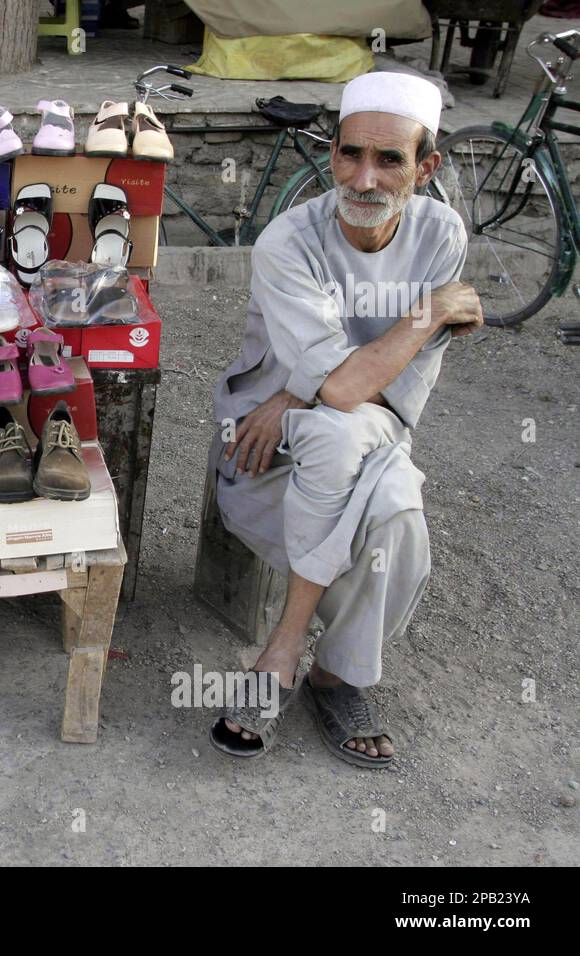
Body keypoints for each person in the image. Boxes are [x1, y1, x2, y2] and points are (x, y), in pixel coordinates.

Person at [206, 72, 484, 768]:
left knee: (362, 461)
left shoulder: (441, 234)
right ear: (330, 155)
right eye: (348, 154)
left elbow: (382, 392)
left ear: (427, 168)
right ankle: (338, 674)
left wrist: (312, 389)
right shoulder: (287, 242)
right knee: (395, 507)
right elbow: (348, 384)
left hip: (371, 428)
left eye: (389, 160)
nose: (364, 178)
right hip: (265, 450)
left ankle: (284, 653)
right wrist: (426, 315)